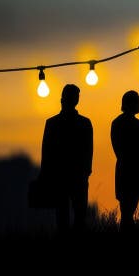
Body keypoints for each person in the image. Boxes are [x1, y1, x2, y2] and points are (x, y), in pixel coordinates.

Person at [41, 83, 93, 233]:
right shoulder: (84, 123)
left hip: (64, 176)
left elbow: (46, 152)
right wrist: (86, 171)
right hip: (72, 176)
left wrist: (46, 174)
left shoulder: (52, 123)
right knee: (75, 215)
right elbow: (88, 151)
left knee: (65, 216)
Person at [111, 90, 139, 232]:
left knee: (127, 209)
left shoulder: (117, 123)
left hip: (125, 169)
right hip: (133, 170)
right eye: (137, 101)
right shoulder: (135, 124)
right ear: (130, 104)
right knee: (129, 210)